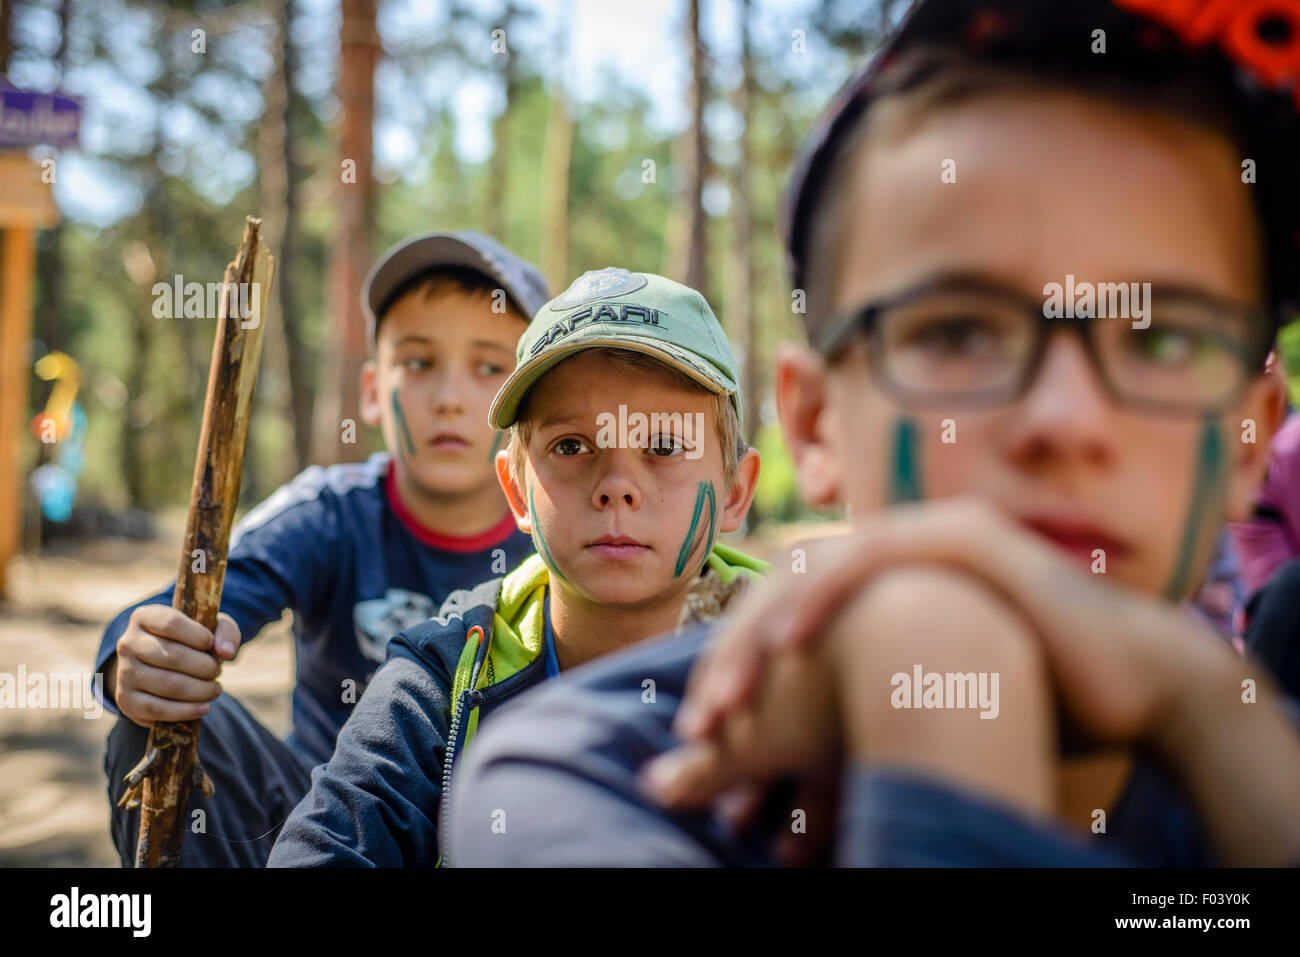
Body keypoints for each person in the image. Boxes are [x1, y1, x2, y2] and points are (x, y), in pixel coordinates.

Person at [445, 0, 1300, 867]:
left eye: (1159, 337)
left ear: (1247, 437)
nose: (1065, 419)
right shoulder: (599, 783)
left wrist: (1207, 709)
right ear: (815, 424)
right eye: (958, 332)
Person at [268, 269, 767, 866]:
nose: (616, 488)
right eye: (573, 446)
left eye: (663, 446)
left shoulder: (808, 665)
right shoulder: (442, 679)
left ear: (736, 490)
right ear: (516, 489)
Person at [98, 231, 548, 866]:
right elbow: (187, 604)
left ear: (531, 398)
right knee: (169, 722)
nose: (451, 397)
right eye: (418, 363)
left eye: (490, 368)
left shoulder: (567, 536)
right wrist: (140, 657)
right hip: (317, 836)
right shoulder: (330, 513)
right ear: (371, 390)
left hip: (496, 844)